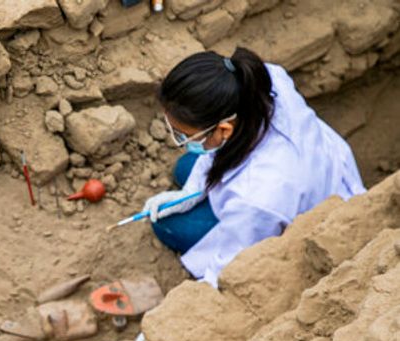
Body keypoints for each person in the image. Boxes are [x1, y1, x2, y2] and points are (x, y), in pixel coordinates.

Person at [142, 47, 365, 287]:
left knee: (168, 226)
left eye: (183, 135)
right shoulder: (258, 82)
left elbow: (230, 266)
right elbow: (211, 155)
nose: (178, 140)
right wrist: (190, 192)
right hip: (321, 164)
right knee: (186, 167)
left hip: (309, 212)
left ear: (225, 130)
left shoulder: (257, 199)